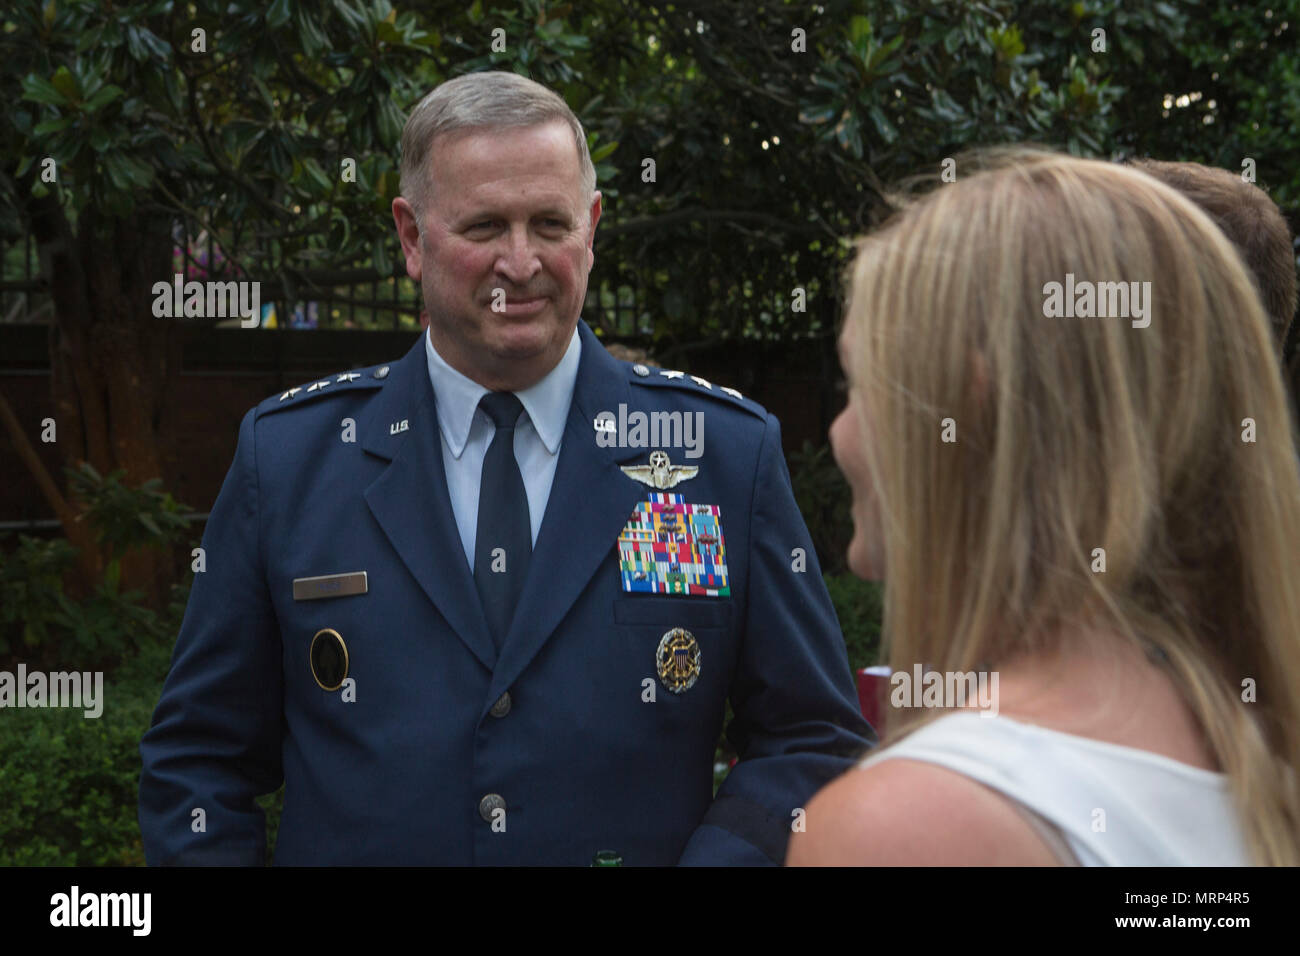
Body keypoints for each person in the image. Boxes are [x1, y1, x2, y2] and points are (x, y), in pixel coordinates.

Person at [138, 71, 873, 865]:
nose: (520, 263)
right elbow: (199, 764)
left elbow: (812, 736)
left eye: (549, 224)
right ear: (413, 238)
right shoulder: (289, 462)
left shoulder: (718, 454)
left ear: (590, 228)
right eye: (485, 226)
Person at [787, 149, 1300, 866]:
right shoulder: (1255, 747)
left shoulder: (908, 827)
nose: (838, 432)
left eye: (857, 385)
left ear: (963, 408)